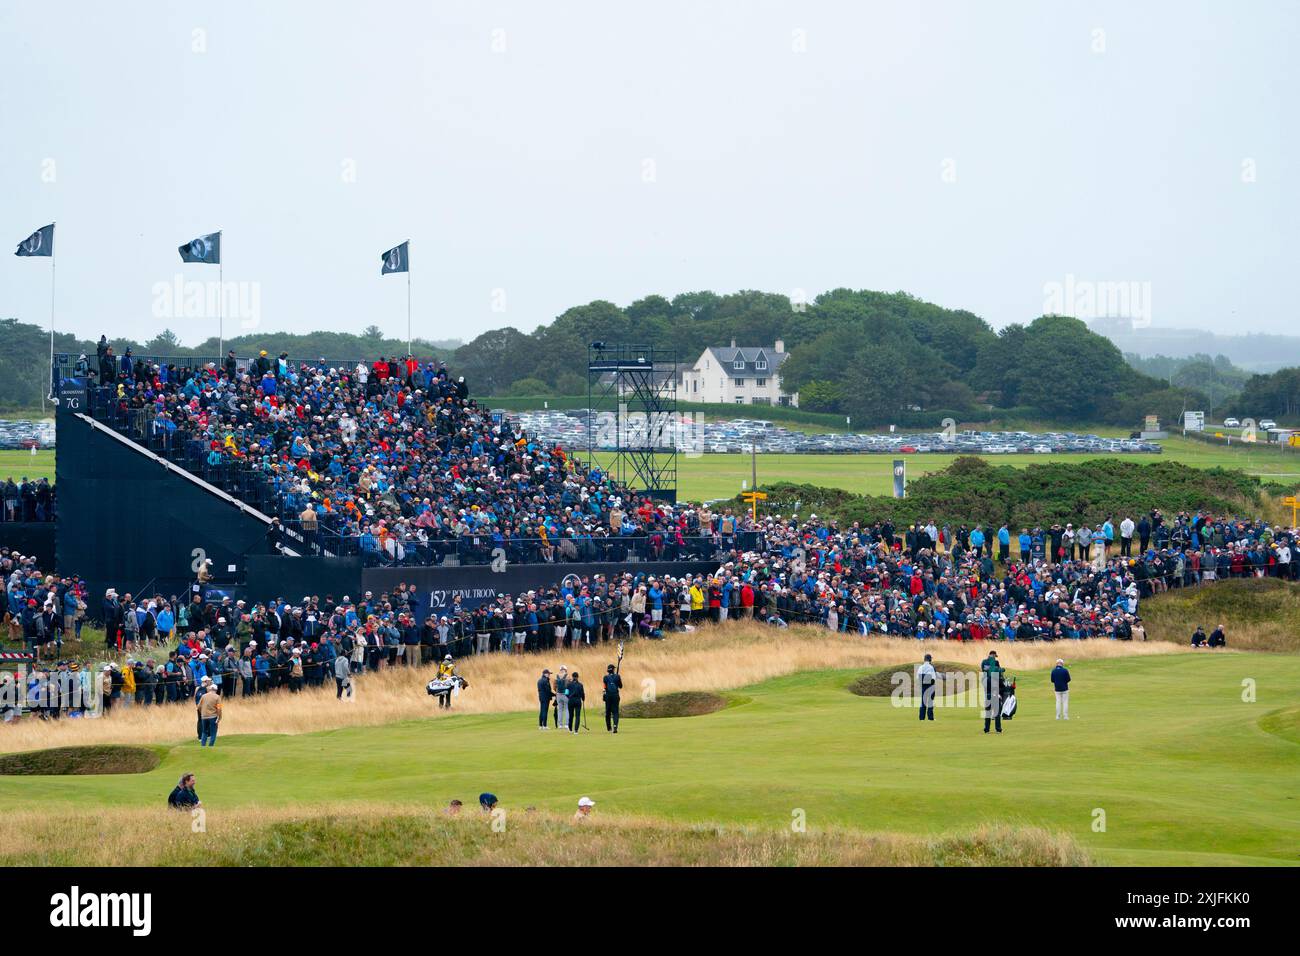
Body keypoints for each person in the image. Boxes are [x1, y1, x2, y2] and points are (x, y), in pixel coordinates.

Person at [981, 650, 1004, 734]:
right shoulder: (995, 663)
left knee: (988, 710)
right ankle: (998, 729)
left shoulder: (984, 662)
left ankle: (986, 729)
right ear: (993, 655)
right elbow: (999, 673)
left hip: (987, 687)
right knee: (996, 710)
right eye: (994, 655)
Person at [197, 677, 222, 746]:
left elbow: (198, 707)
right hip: (213, 717)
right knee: (213, 732)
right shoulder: (217, 697)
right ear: (216, 690)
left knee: (204, 732)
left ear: (210, 689)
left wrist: (202, 713)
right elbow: (219, 708)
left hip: (204, 717)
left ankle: (203, 746)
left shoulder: (204, 696)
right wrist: (219, 717)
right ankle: (210, 746)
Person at [602, 663, 623, 733]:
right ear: (613, 670)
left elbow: (604, 687)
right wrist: (617, 679)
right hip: (615, 695)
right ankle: (615, 726)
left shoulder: (605, 677)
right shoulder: (617, 676)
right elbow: (620, 686)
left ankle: (609, 728)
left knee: (608, 712)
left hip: (608, 696)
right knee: (615, 712)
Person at [916, 653, 937, 721]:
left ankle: (921, 718)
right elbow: (933, 678)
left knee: (923, 702)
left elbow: (918, 677)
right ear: (930, 659)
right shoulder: (931, 667)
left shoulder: (920, 667)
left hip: (923, 687)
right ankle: (930, 718)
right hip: (930, 686)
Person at [554, 665, 570, 732]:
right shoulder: (568, 676)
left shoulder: (557, 676)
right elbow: (569, 685)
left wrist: (556, 691)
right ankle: (566, 724)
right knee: (566, 709)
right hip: (565, 694)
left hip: (558, 694)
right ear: (565, 670)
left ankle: (560, 724)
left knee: (560, 710)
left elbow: (554, 687)